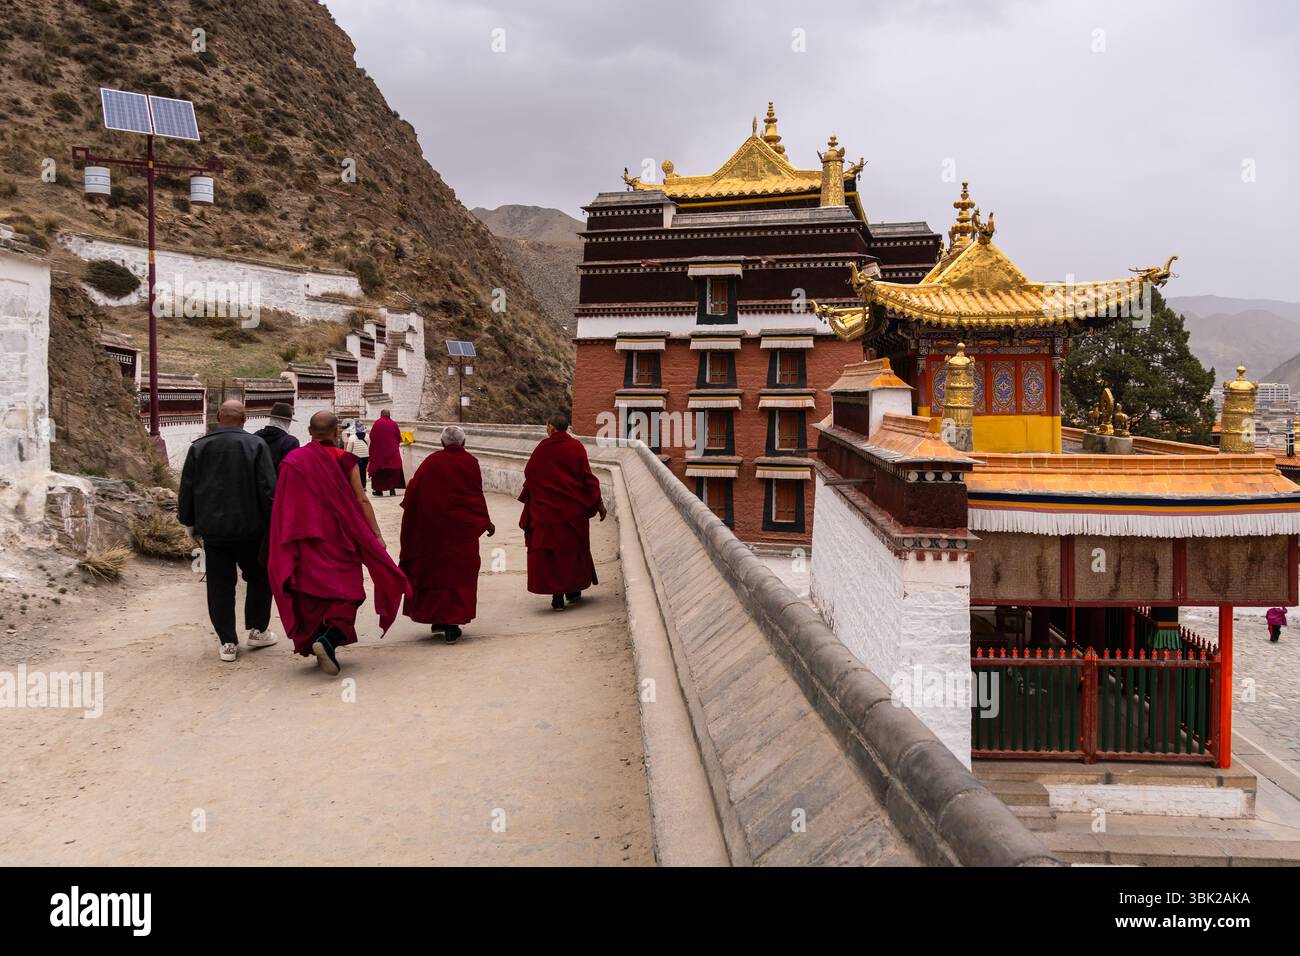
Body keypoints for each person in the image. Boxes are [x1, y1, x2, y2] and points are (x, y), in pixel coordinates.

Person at [268, 410, 410, 675]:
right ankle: (329, 638)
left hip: (304, 540)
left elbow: (284, 506)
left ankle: (320, 639)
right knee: (349, 593)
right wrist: (376, 535)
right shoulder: (346, 460)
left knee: (311, 594)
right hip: (340, 540)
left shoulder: (292, 461)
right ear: (336, 433)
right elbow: (361, 499)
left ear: (309, 432)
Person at [178, 399, 279, 662]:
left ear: (218, 417)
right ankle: (257, 629)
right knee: (258, 577)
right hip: (252, 530)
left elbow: (187, 487)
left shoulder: (199, 447)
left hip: (214, 532)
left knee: (220, 585)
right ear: (244, 419)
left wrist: (189, 521)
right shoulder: (256, 445)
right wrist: (274, 523)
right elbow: (268, 489)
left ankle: (227, 642)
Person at [399, 425, 495, 643]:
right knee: (458, 573)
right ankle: (451, 625)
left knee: (436, 573)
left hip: (433, 531)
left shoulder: (432, 462)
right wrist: (484, 521)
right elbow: (474, 496)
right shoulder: (471, 462)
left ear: (442, 443)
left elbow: (413, 491)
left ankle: (439, 620)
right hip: (461, 532)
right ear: (464, 442)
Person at [518, 413, 606, 611]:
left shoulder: (542, 448)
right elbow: (587, 477)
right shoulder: (575, 447)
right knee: (571, 552)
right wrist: (597, 501)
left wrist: (542, 496)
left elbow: (530, 474)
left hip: (546, 511)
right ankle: (573, 591)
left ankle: (556, 596)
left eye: (547, 426)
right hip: (572, 511)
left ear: (551, 428)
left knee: (551, 553)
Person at [254, 401, 300, 474]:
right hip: (278, 483)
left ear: (271, 418)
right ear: (288, 422)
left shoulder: (256, 436)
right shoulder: (290, 442)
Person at [367, 409, 405, 497]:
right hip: (393, 453)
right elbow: (398, 437)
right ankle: (392, 491)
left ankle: (379, 491)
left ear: (381, 415)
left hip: (379, 453)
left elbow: (372, 436)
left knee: (379, 472)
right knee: (392, 472)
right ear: (389, 415)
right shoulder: (394, 424)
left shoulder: (377, 423)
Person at [344, 420, 370, 490]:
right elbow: (369, 447)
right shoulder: (367, 436)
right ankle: (363, 486)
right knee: (363, 471)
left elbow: (349, 450)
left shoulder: (352, 437)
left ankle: (358, 487)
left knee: (356, 472)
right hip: (365, 456)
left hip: (355, 457)